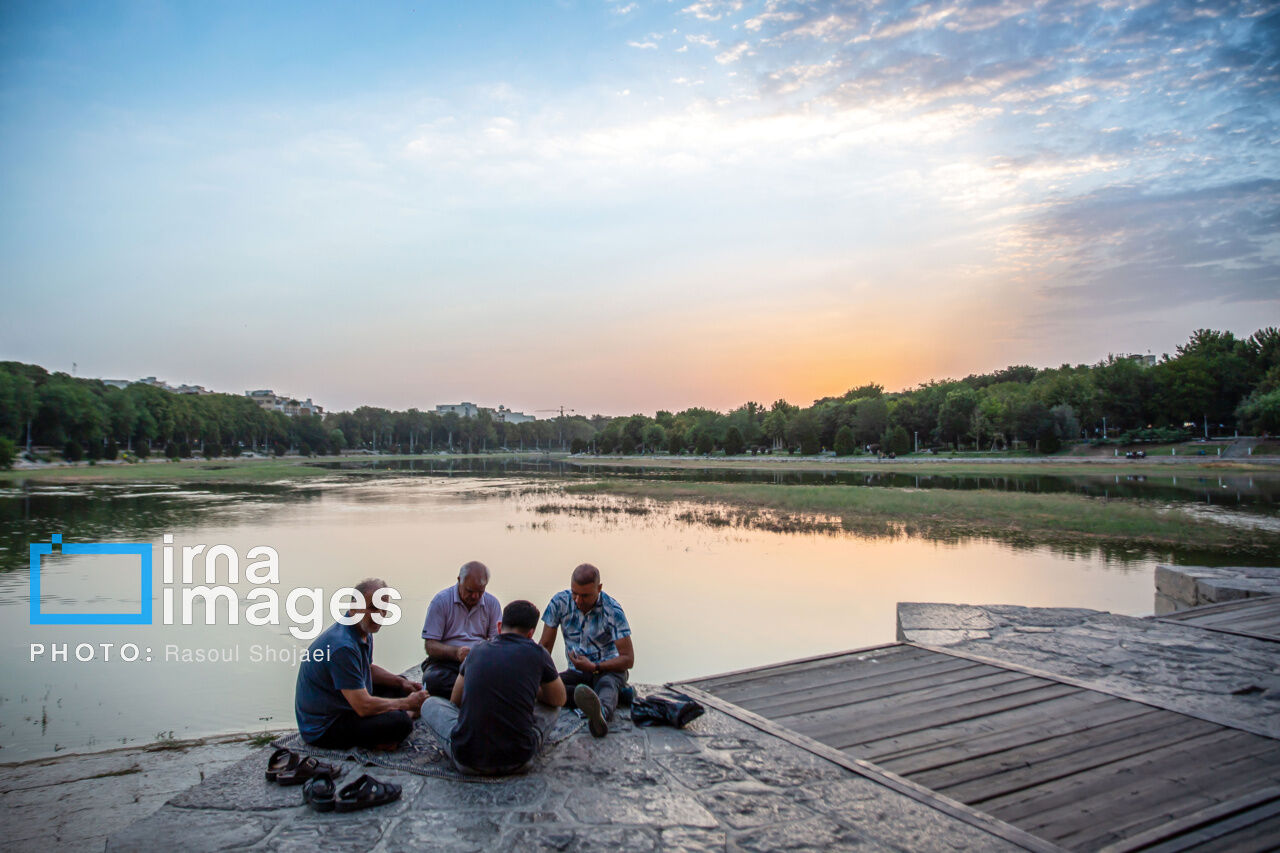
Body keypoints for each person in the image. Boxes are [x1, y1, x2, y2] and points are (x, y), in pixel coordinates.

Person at [421, 599, 566, 775]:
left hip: (468, 761)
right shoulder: (538, 653)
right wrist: (530, 689)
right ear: (531, 633)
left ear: (499, 627)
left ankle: (473, 735)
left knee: (430, 703)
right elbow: (559, 699)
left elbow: (455, 701)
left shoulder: (476, 651)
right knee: (552, 708)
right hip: (519, 760)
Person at [295, 578, 428, 750]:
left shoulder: (362, 629)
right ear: (354, 607)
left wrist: (401, 682)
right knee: (401, 722)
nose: (378, 615)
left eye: (383, 610)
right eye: (372, 608)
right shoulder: (342, 646)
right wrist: (407, 704)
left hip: (345, 701)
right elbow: (363, 706)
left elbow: (367, 669)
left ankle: (391, 725)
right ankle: (391, 732)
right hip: (324, 727)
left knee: (400, 687)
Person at [539, 563, 634, 738]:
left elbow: (628, 659)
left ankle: (600, 715)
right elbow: (544, 646)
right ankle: (596, 698)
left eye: (585, 596)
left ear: (599, 588)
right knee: (542, 689)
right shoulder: (559, 603)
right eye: (574, 593)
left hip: (606, 669)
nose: (578, 601)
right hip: (576, 671)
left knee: (607, 685)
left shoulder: (612, 610)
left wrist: (595, 667)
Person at [420, 561, 501, 697]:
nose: (475, 596)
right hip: (446, 662)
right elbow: (430, 645)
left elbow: (497, 641)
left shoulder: (492, 603)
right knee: (433, 681)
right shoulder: (441, 601)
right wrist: (456, 653)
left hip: (479, 661)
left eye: (480, 592)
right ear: (459, 581)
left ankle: (472, 693)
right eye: (470, 591)